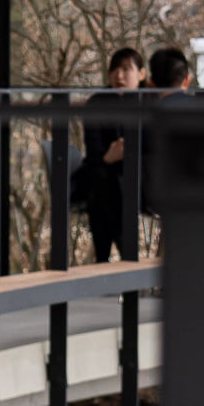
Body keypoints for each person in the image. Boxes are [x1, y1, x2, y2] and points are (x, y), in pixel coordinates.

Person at [73, 46, 144, 260]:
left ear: (141, 74)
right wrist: (108, 157)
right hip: (103, 173)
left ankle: (105, 259)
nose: (119, 76)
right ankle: (125, 254)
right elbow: (93, 150)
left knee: (110, 186)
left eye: (126, 69)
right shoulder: (97, 103)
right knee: (104, 181)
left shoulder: (147, 103)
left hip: (139, 179)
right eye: (114, 69)